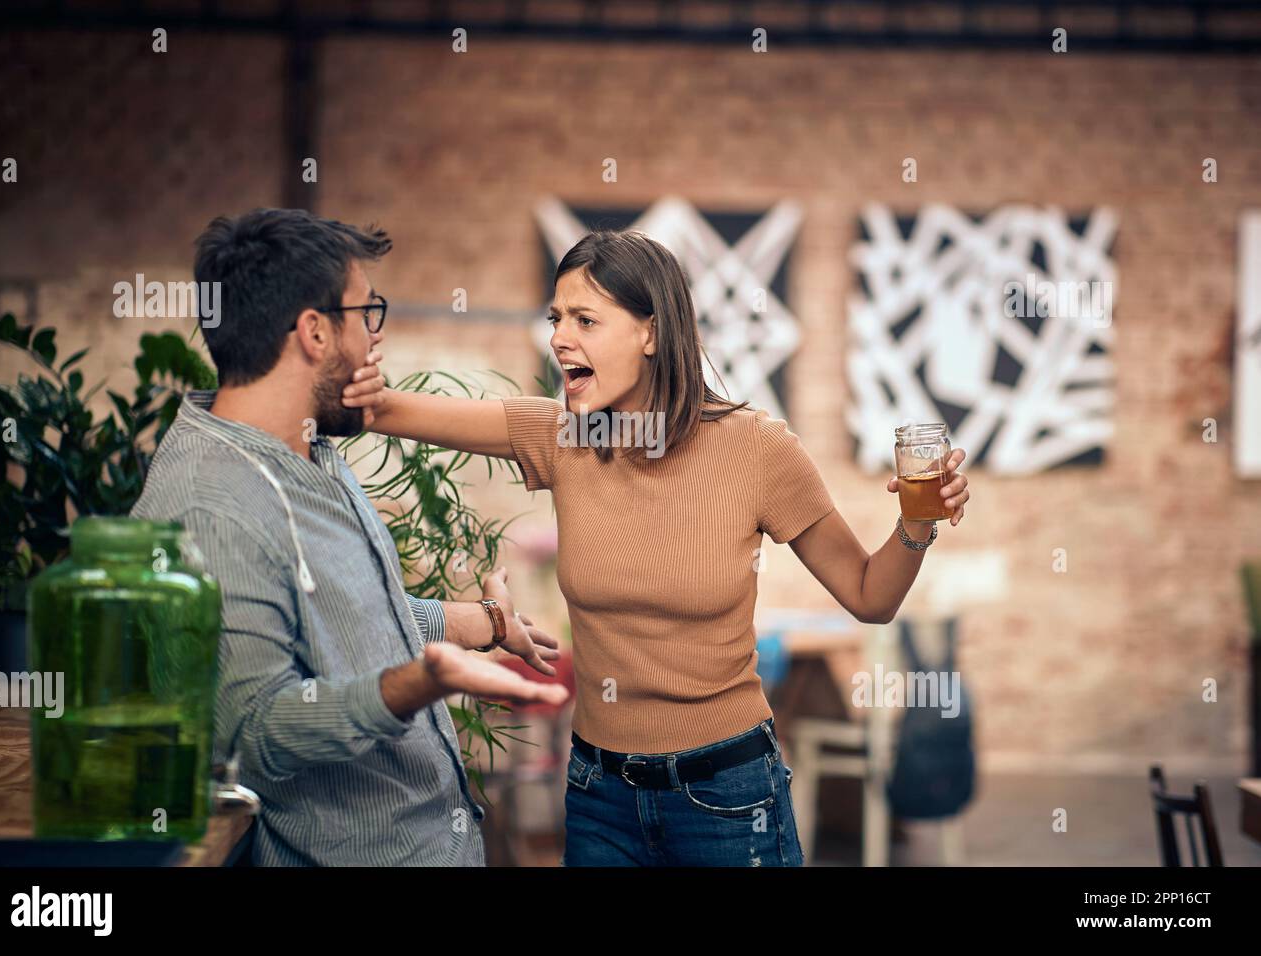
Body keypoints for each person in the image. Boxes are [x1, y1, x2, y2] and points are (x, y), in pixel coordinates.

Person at [344, 229, 971, 867]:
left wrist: (917, 522)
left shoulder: (758, 449)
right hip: (600, 795)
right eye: (556, 318)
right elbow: (384, 410)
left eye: (586, 319)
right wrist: (339, 355)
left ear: (651, 331)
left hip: (728, 796)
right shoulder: (563, 435)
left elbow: (871, 596)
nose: (560, 337)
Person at [132, 207, 567, 866]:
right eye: (367, 314)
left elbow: (343, 625)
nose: (375, 338)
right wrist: (413, 687)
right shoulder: (212, 506)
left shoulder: (310, 451)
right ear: (313, 332)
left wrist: (479, 622)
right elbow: (249, 734)